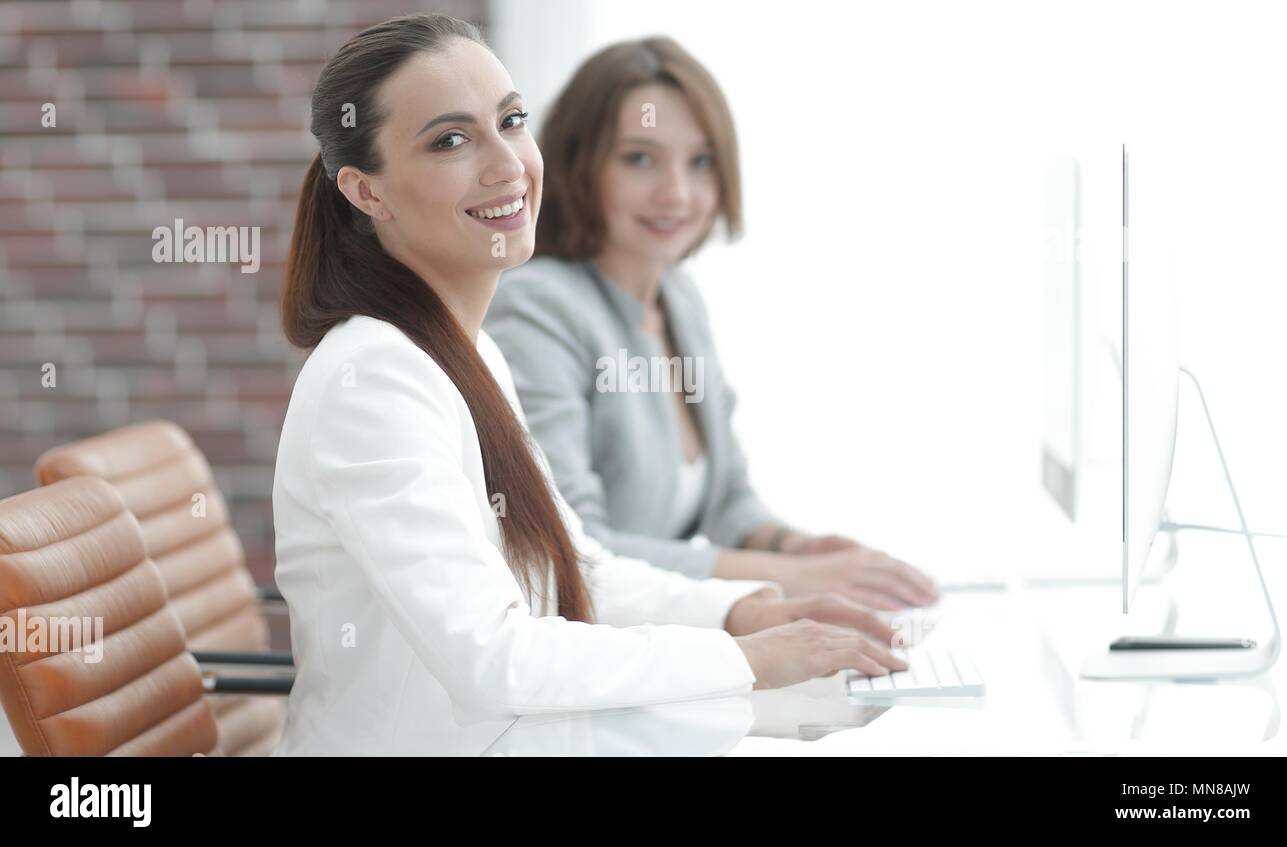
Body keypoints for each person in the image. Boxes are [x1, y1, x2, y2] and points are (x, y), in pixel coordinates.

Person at [272, 14, 905, 755]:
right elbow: (496, 659)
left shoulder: (464, 356)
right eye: (451, 139)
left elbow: (577, 573)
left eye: (510, 121)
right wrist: (747, 663)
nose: (506, 163)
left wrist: (745, 613)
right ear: (366, 192)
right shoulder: (373, 379)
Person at [485, 37, 940, 611]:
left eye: (700, 162)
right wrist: (791, 579)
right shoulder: (537, 306)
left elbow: (724, 500)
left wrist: (797, 548)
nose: (676, 193)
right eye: (639, 158)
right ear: (578, 164)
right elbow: (579, 548)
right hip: (593, 661)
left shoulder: (678, 298)